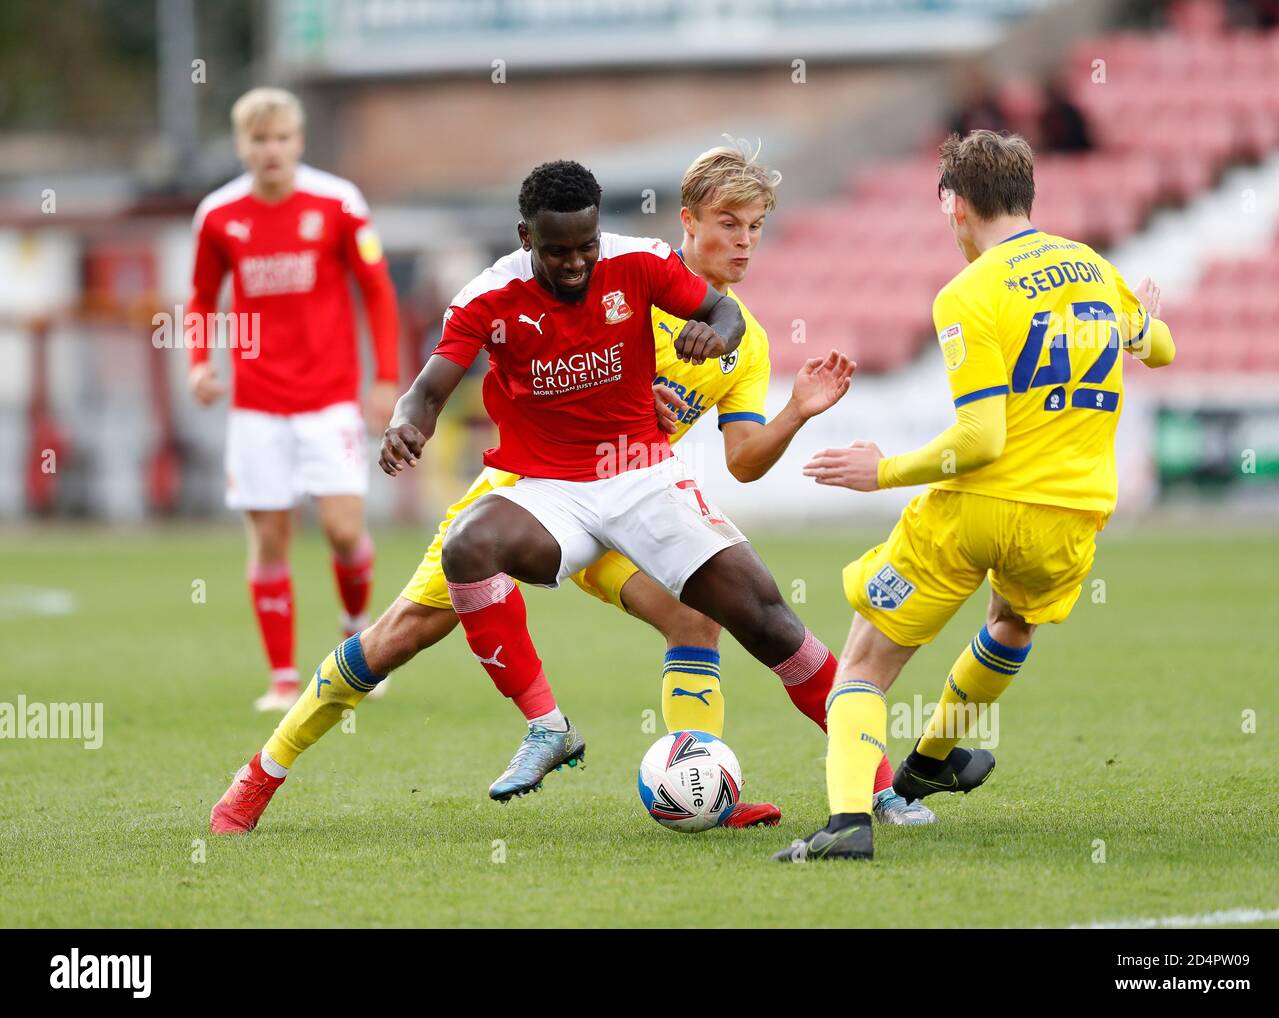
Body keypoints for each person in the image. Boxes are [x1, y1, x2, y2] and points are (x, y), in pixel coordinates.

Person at [207, 159, 855, 834]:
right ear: (688, 222)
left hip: (632, 496)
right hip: (534, 493)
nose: (745, 241)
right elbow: (435, 386)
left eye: (755, 226)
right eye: (729, 223)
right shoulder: (625, 277)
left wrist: (793, 411)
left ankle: (708, 791)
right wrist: (407, 423)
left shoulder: (728, 330)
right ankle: (261, 773)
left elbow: (743, 458)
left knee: (698, 618)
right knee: (401, 633)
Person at [776, 130, 1176, 862]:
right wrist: (1141, 326)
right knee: (1011, 623)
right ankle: (931, 762)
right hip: (1071, 516)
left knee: (863, 666)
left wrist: (884, 471)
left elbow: (983, 438)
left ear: (955, 206)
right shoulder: (1093, 269)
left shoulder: (969, 292)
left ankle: (848, 824)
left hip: (980, 508)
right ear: (1027, 196)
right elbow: (1163, 349)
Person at [187, 87, 399, 712]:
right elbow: (200, 297)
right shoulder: (218, 214)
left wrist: (386, 378)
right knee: (270, 537)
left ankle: (356, 637)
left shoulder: (338, 202)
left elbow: (377, 291)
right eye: (259, 139)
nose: (271, 150)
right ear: (241, 144)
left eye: (281, 137)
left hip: (330, 399)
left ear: (299, 140)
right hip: (256, 405)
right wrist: (199, 362)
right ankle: (282, 678)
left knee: (343, 530)